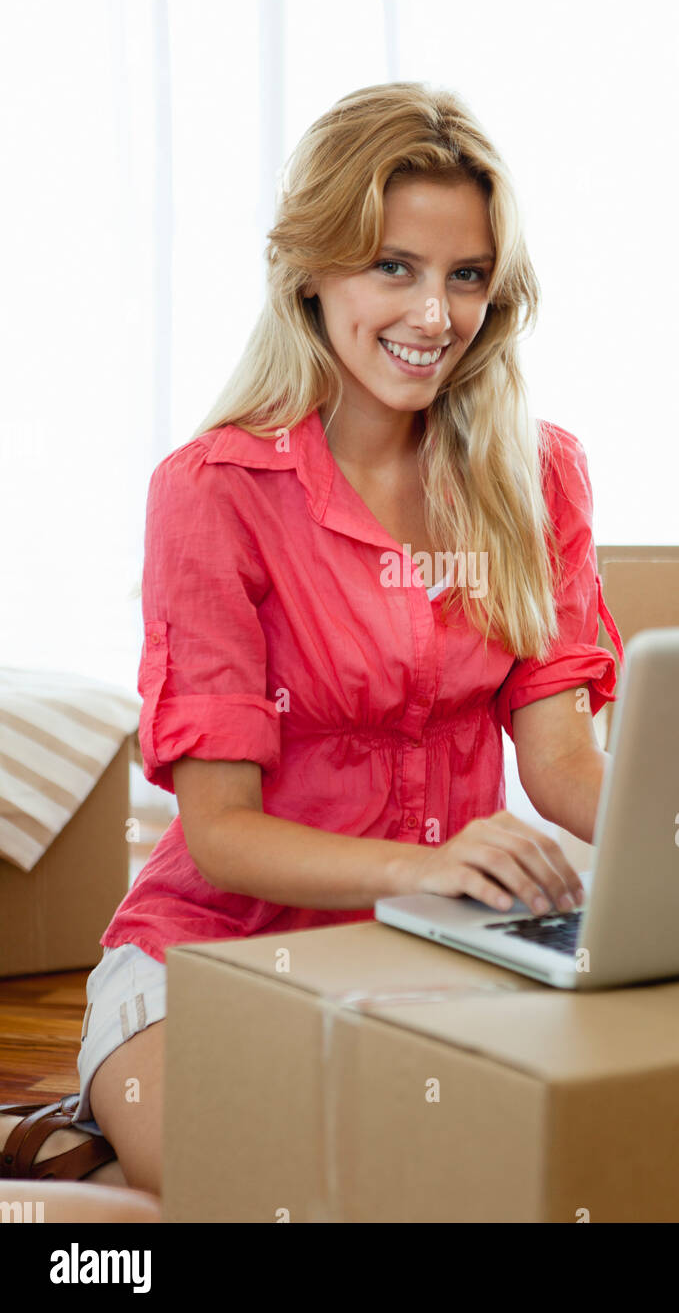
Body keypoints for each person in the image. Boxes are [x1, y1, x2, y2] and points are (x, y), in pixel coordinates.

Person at [0, 80, 623, 1198]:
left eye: (466, 274)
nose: (435, 314)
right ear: (314, 267)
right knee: (271, 1199)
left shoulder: (538, 477)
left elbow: (565, 761)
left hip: (434, 953)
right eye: (395, 266)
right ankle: (99, 1108)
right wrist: (433, 864)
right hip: (212, 958)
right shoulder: (214, 491)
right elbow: (223, 833)